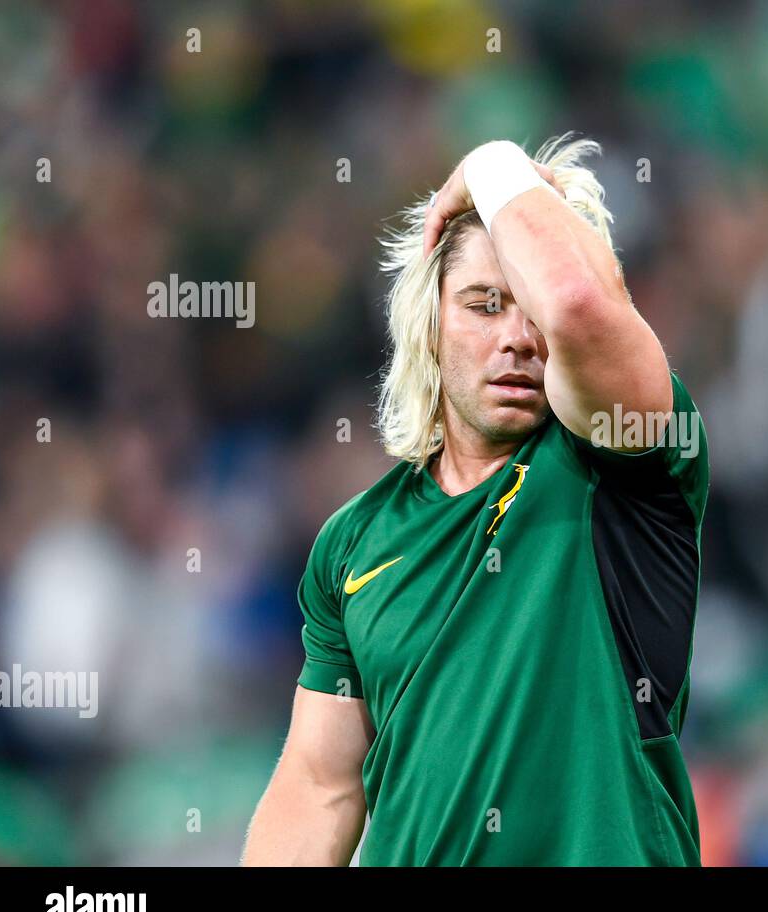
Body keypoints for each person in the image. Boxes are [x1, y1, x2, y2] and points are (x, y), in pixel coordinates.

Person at [243, 135, 709, 865]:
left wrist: (492, 164)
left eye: (531, 311)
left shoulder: (626, 468)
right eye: (484, 306)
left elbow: (581, 303)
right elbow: (319, 788)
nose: (518, 338)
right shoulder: (354, 541)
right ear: (428, 322)